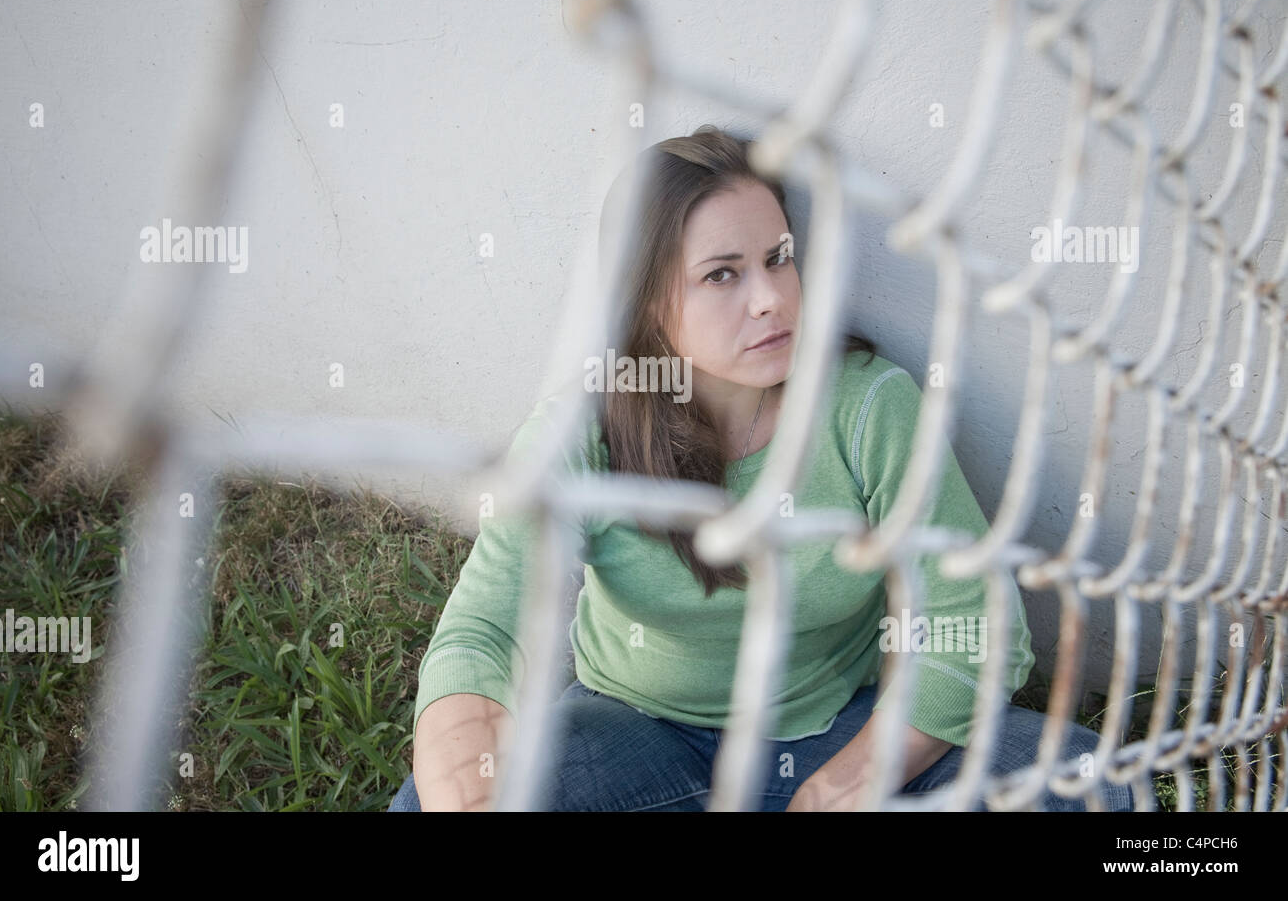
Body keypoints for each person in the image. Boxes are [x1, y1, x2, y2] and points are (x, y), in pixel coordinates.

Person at [392, 125, 1134, 812]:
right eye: (723, 275)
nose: (772, 299)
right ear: (646, 303)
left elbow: (972, 617)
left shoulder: (868, 405)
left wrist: (849, 781)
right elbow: (487, 626)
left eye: (779, 259)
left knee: (1084, 783)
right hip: (642, 734)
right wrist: (464, 771)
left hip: (840, 730)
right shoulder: (580, 432)